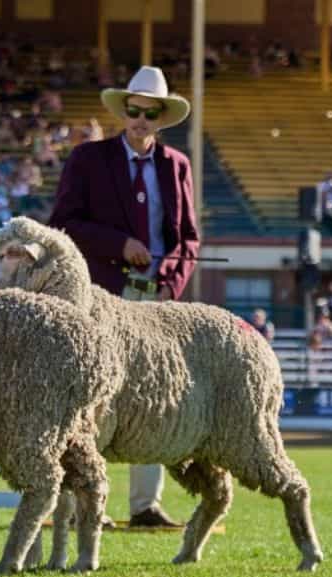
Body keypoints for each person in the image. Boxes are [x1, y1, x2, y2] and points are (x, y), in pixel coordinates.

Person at [49, 65, 198, 528]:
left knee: (149, 399)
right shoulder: (88, 160)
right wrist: (119, 245)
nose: (140, 119)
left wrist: (170, 282)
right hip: (98, 300)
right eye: (133, 110)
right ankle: (77, 505)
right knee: (89, 398)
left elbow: (188, 241)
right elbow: (64, 225)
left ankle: (145, 505)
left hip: (155, 303)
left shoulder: (178, 166)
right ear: (123, 111)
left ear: (161, 117)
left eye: (149, 112)